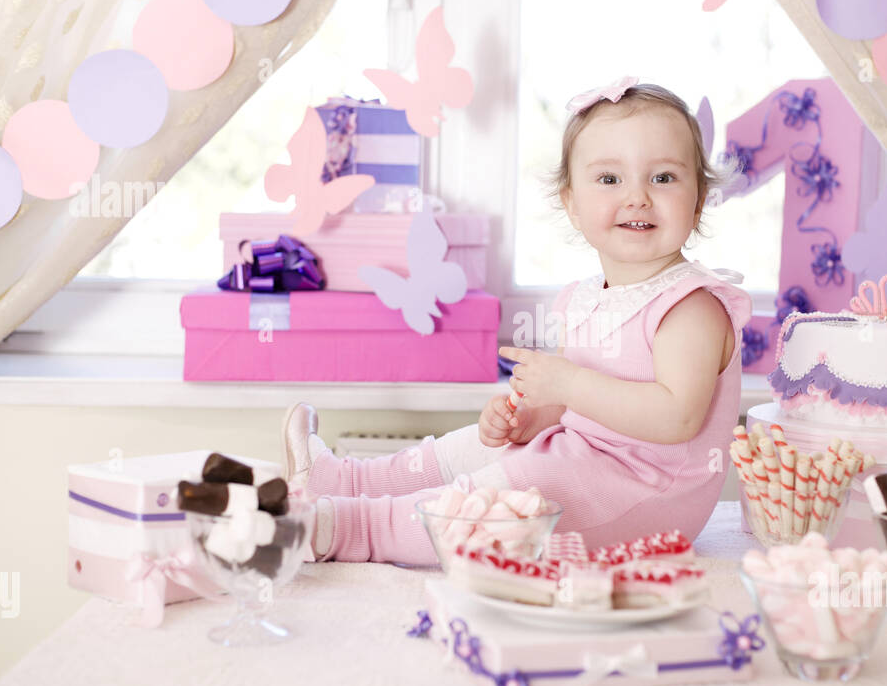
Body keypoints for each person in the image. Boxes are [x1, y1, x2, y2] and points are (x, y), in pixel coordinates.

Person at [282, 79, 751, 563]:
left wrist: (566, 383)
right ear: (572, 203)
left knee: (522, 490)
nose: (637, 197)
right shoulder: (586, 298)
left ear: (697, 202)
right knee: (483, 450)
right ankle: (343, 480)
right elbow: (582, 408)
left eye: (663, 178)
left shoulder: (691, 306)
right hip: (592, 461)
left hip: (651, 497)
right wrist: (532, 418)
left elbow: (677, 416)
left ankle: (348, 528)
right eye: (610, 179)